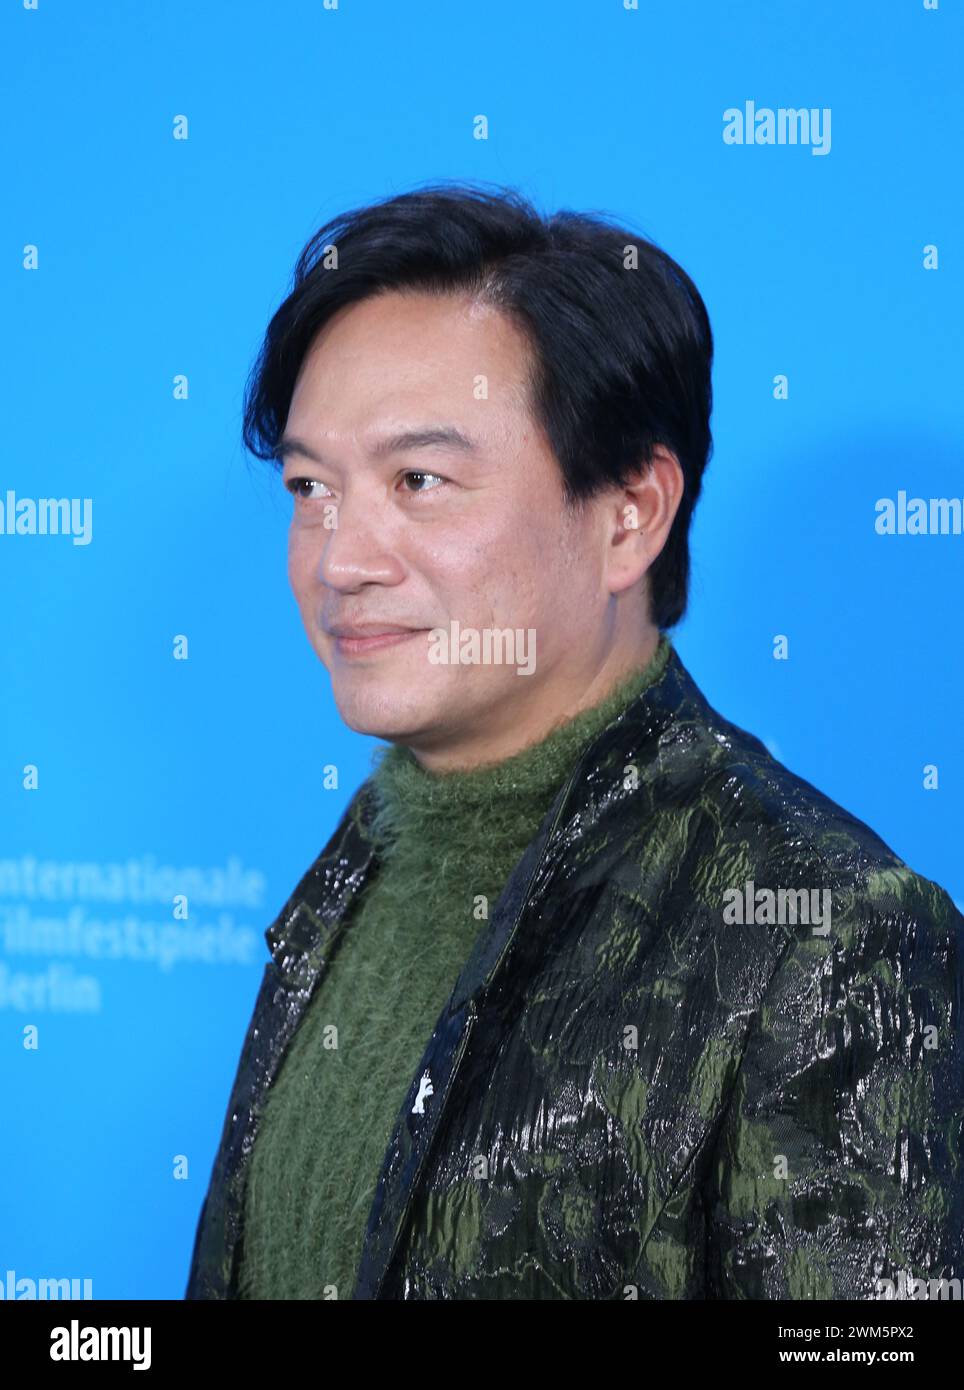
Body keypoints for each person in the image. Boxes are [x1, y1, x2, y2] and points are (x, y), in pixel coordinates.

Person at [185, 181, 964, 1300]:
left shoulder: (822, 929)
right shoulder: (372, 846)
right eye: (311, 487)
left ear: (628, 515)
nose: (338, 556)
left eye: (419, 481)